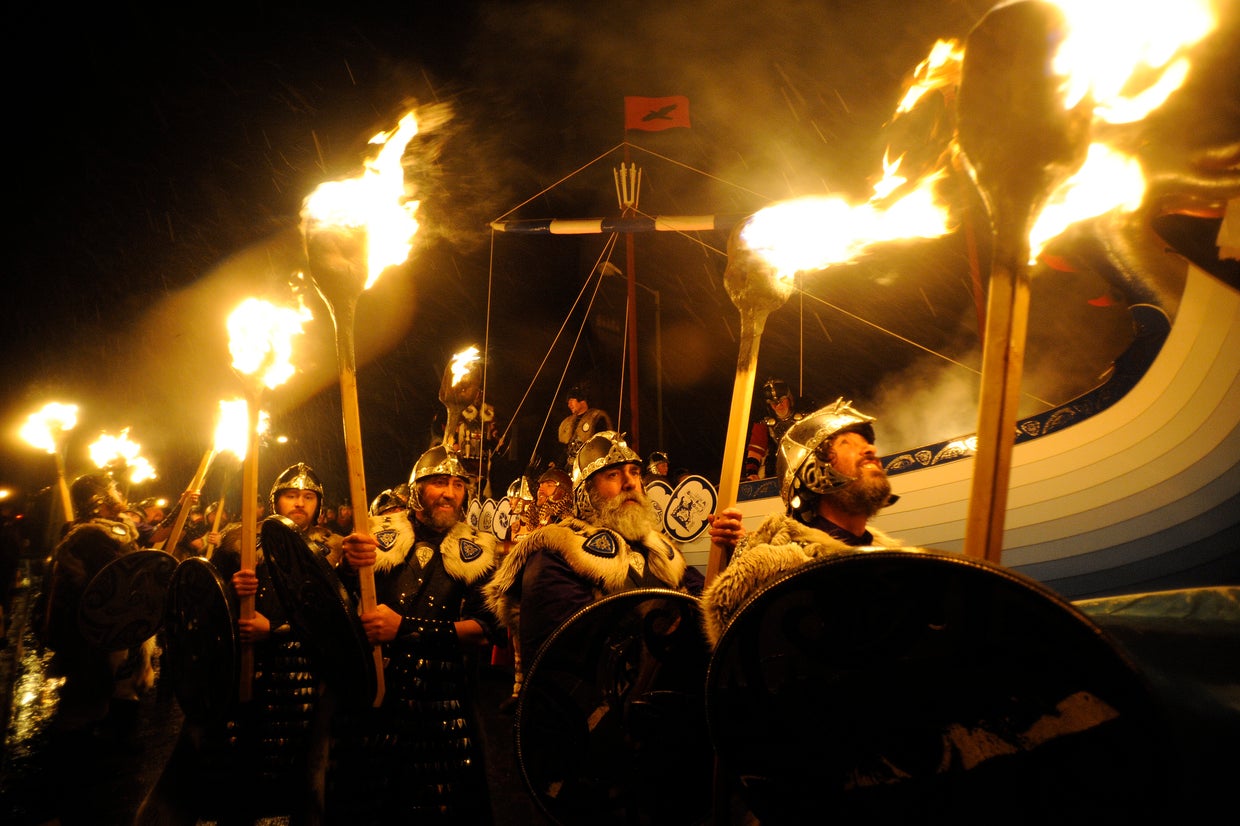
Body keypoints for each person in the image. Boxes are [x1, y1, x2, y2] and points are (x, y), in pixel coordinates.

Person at [137, 461, 335, 826]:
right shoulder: (239, 543)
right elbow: (204, 608)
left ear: (318, 505)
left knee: (300, 775)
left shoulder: (331, 551)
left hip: (301, 677)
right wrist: (231, 592)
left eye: (308, 497)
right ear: (276, 500)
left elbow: (335, 621)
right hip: (239, 672)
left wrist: (275, 629)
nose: (300, 503)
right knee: (235, 772)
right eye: (292, 495)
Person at [332, 444, 500, 824]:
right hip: (374, 700)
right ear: (415, 489)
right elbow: (340, 605)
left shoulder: (479, 548)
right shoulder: (376, 536)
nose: (450, 492)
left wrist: (404, 629)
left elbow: (483, 630)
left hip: (444, 706)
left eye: (458, 485)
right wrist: (346, 566)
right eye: (439, 482)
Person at [486, 431, 706, 687]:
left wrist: (729, 549)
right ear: (585, 492)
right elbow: (569, 654)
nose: (630, 483)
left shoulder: (660, 549)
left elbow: (707, 601)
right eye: (613, 474)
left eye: (634, 472)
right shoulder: (556, 552)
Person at [701, 397, 904, 647]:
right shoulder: (777, 575)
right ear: (814, 469)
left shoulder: (897, 567)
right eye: (847, 443)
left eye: (867, 443)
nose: (871, 450)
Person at [37, 473, 158, 820]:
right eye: (114, 490)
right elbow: (102, 587)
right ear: (99, 499)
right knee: (86, 705)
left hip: (117, 635)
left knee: (120, 696)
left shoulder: (114, 531)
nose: (120, 493)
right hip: (94, 637)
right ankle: (70, 796)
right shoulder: (89, 536)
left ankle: (112, 781)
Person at [743, 377, 817, 480]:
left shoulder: (806, 416)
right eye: (773, 402)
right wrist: (751, 472)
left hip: (805, 466)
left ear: (789, 398)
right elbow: (756, 449)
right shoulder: (764, 422)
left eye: (781, 400)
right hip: (775, 468)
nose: (778, 405)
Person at [557, 383, 612, 468]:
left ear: (581, 400)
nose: (569, 405)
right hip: (569, 468)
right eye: (568, 402)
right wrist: (557, 465)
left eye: (571, 400)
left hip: (589, 465)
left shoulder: (596, 417)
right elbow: (565, 450)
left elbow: (602, 446)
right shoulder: (567, 422)